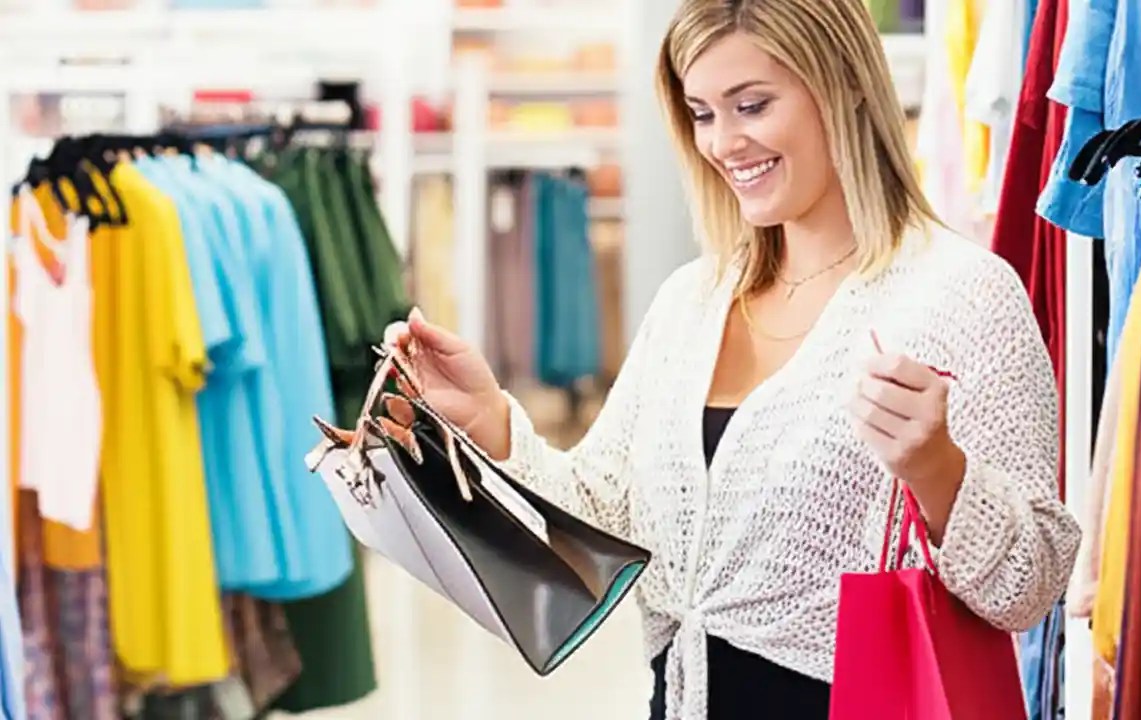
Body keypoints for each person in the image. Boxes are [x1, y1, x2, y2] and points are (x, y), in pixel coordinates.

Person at [386, 0, 1081, 717]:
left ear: (843, 86)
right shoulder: (692, 302)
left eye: (751, 105)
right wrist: (494, 421)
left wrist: (937, 469)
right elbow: (607, 516)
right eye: (702, 112)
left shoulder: (961, 294)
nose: (724, 142)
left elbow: (1031, 584)